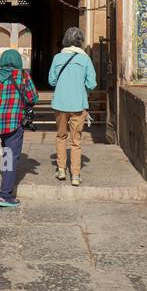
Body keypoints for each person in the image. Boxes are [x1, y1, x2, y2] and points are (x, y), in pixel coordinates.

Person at [0, 47, 38, 209]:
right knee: (12, 157)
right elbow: (33, 97)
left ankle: (5, 175)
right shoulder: (22, 76)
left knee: (7, 151)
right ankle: (5, 195)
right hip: (14, 121)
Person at [48, 26, 97, 187]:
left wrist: (64, 86)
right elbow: (92, 83)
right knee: (76, 141)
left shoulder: (57, 58)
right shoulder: (85, 59)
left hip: (60, 104)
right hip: (78, 105)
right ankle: (75, 175)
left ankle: (61, 170)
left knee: (61, 137)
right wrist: (81, 89)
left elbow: (52, 81)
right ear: (80, 41)